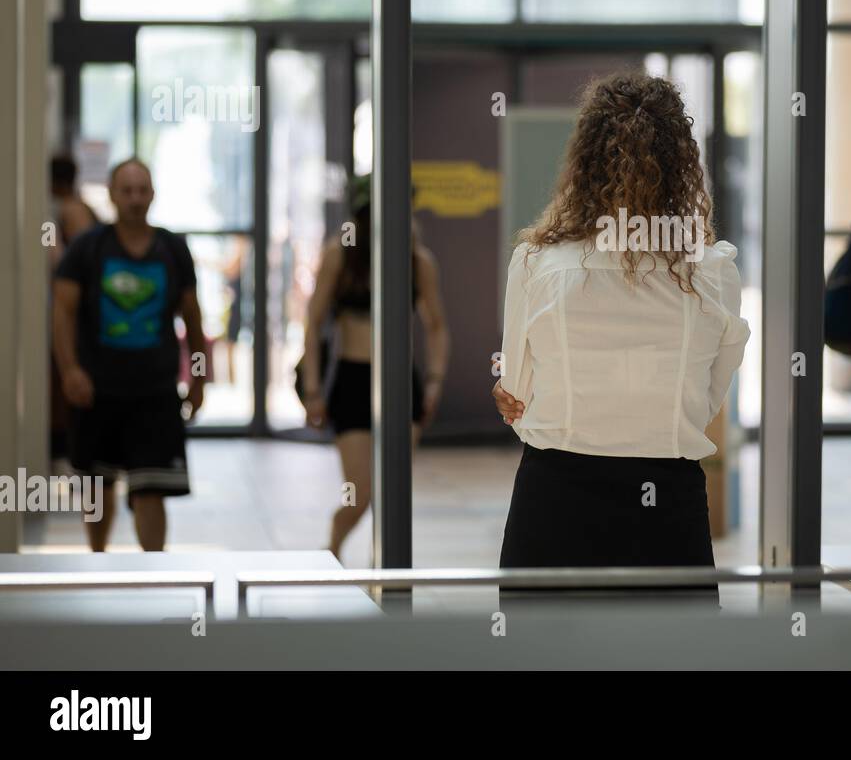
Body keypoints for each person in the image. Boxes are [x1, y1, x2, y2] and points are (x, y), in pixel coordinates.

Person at [491, 71, 750, 604]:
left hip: (554, 501)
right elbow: (705, 401)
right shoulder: (713, 272)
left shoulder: (537, 264)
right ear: (682, 164)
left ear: (583, 162)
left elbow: (516, 389)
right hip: (667, 509)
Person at [51, 157, 205, 552]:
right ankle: (97, 563)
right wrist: (69, 371)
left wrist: (200, 377)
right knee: (97, 486)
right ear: (112, 195)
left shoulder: (173, 248)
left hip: (155, 392)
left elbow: (192, 316)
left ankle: (156, 574)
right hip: (97, 390)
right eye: (127, 191)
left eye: (142, 191)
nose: (135, 199)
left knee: (151, 488)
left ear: (152, 194)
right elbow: (62, 312)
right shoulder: (88, 248)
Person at [302, 174, 450, 560]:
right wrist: (312, 389)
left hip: (401, 381)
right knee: (360, 492)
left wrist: (434, 381)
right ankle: (330, 552)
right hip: (352, 381)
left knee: (392, 494)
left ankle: (381, 571)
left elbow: (436, 325)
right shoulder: (340, 254)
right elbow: (313, 321)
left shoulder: (418, 261)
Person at [48, 154, 100, 466]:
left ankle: (75, 457)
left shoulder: (71, 210)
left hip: (81, 309)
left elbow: (71, 263)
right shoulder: (79, 206)